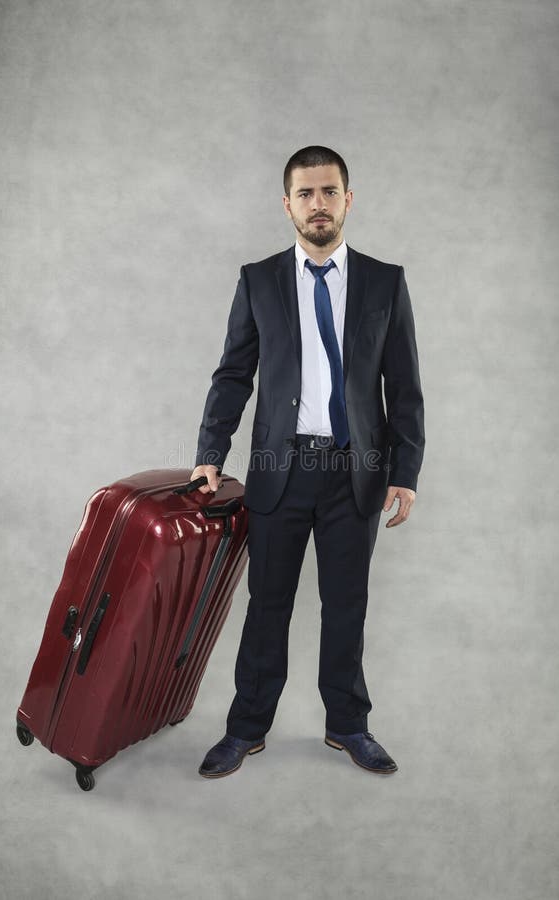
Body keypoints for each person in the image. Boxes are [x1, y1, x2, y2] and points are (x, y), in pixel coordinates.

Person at [190, 145, 425, 778]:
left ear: (348, 200)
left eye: (328, 192)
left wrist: (405, 471)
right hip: (279, 469)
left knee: (348, 605)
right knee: (268, 605)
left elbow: (403, 386)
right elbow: (233, 374)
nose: (317, 204)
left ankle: (349, 725)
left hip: (357, 473)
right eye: (304, 194)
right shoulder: (258, 280)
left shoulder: (384, 281)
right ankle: (245, 729)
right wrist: (210, 454)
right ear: (287, 205)